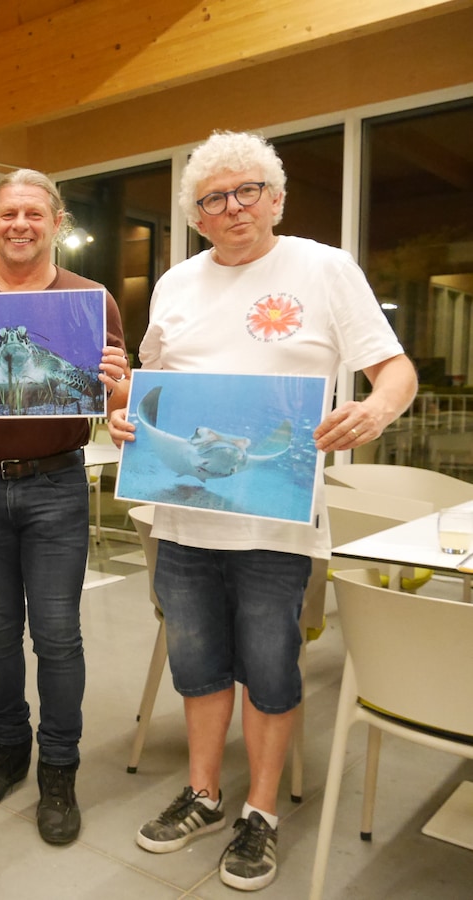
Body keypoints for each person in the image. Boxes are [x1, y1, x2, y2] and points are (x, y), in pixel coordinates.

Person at [109, 131, 417, 891]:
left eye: (247, 191)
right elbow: (149, 384)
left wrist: (375, 411)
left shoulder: (322, 267)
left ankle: (261, 811)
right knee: (198, 662)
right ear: (198, 216)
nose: (232, 207)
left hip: (277, 522)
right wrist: (125, 415)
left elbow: (396, 369)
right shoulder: (177, 284)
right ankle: (206, 792)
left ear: (275, 198)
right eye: (213, 198)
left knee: (273, 667)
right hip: (181, 517)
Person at [0, 169, 128, 845]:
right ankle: (9, 748)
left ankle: (59, 769)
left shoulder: (90, 300)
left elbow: (116, 404)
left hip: (57, 485)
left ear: (56, 221)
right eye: (7, 213)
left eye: (33, 213)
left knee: (59, 635)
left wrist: (118, 387)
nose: (19, 225)